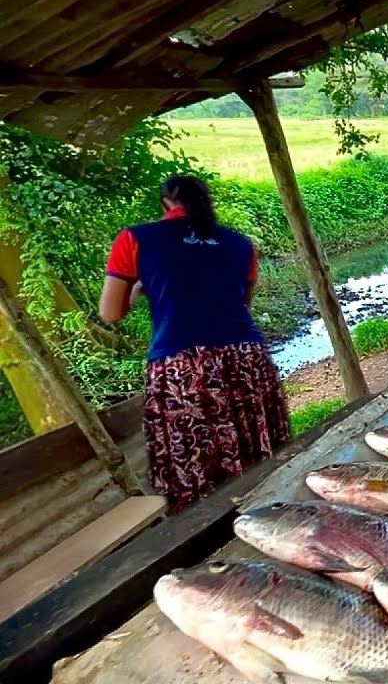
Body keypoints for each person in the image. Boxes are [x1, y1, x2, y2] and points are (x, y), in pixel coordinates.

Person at [99, 175, 290, 510]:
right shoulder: (241, 244)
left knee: (193, 455)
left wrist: (139, 287)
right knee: (252, 447)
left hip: (181, 366)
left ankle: (207, 528)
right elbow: (241, 303)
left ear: (164, 204)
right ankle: (268, 512)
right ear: (206, 201)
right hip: (244, 357)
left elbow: (110, 313)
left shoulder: (134, 239)